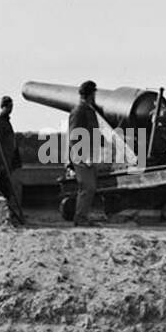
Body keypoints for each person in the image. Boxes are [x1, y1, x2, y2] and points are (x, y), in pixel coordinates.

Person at [68, 80, 101, 227]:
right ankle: (80, 218)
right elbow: (74, 136)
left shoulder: (88, 109)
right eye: (94, 93)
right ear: (90, 94)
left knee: (89, 187)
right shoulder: (79, 110)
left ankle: (82, 216)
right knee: (88, 187)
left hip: (90, 153)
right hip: (82, 155)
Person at [0, 95, 22, 202]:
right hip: (3, 163)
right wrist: (0, 164)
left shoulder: (5, 122)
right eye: (9, 106)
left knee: (7, 189)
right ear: (3, 107)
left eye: (12, 106)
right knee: (3, 189)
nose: (11, 109)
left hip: (8, 161)